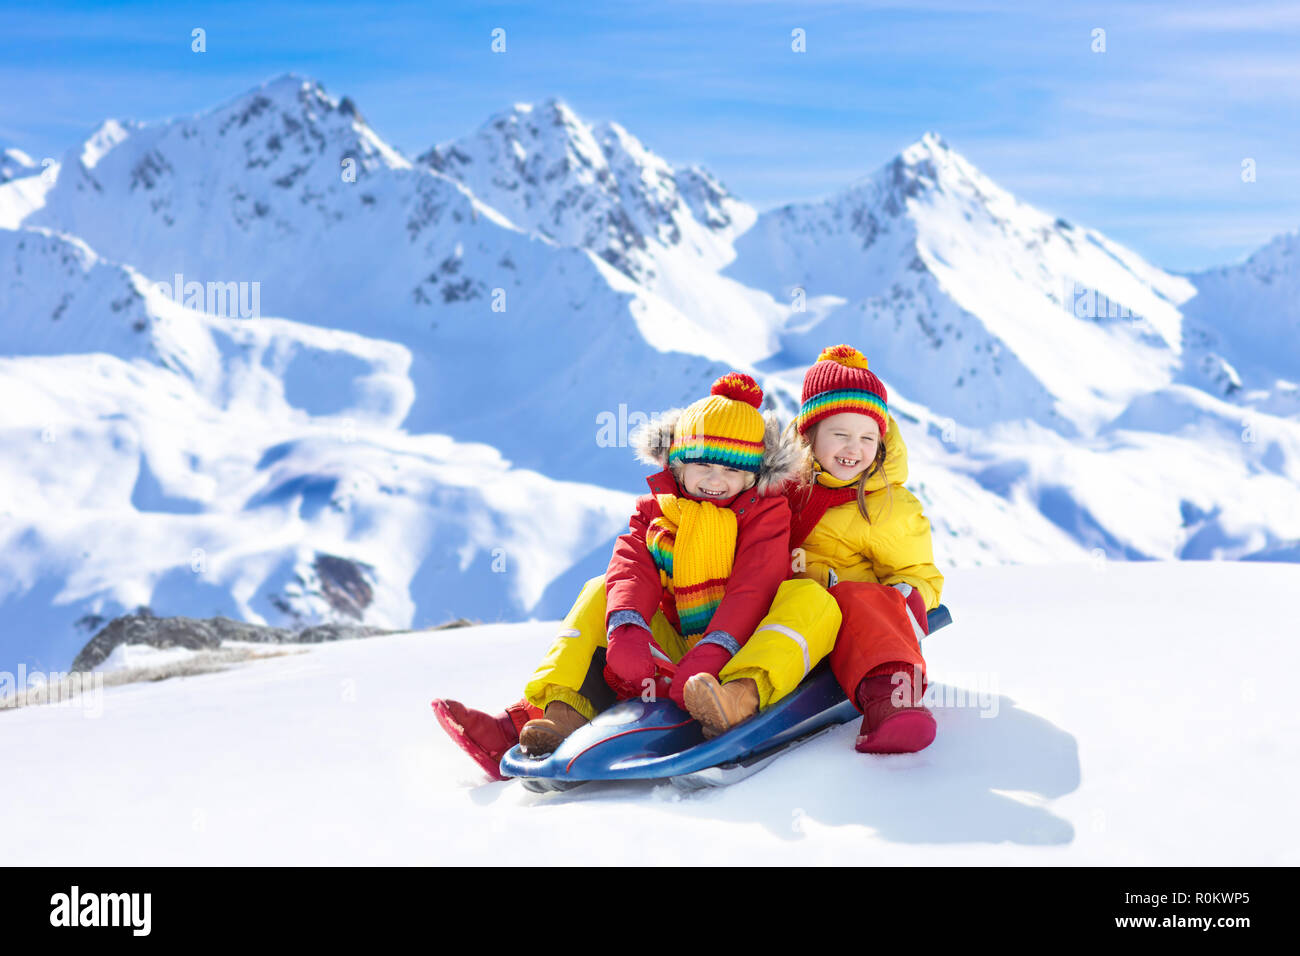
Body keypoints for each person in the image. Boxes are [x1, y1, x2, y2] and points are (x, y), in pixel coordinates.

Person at [432, 371, 841, 775]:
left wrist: (714, 651)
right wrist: (627, 630)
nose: (716, 480)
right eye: (702, 464)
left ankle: (738, 698)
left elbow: (756, 586)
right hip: (668, 658)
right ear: (677, 464)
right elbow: (631, 569)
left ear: (754, 474)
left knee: (813, 601)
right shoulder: (654, 510)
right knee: (599, 590)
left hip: (739, 652)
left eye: (732, 469)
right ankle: (556, 715)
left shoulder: (765, 514)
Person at [778, 344, 946, 753]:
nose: (854, 448)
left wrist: (901, 600)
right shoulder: (781, 489)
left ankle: (892, 699)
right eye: (840, 435)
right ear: (809, 436)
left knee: (859, 600)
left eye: (868, 437)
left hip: (847, 625)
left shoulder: (886, 505)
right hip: (783, 614)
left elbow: (919, 573)